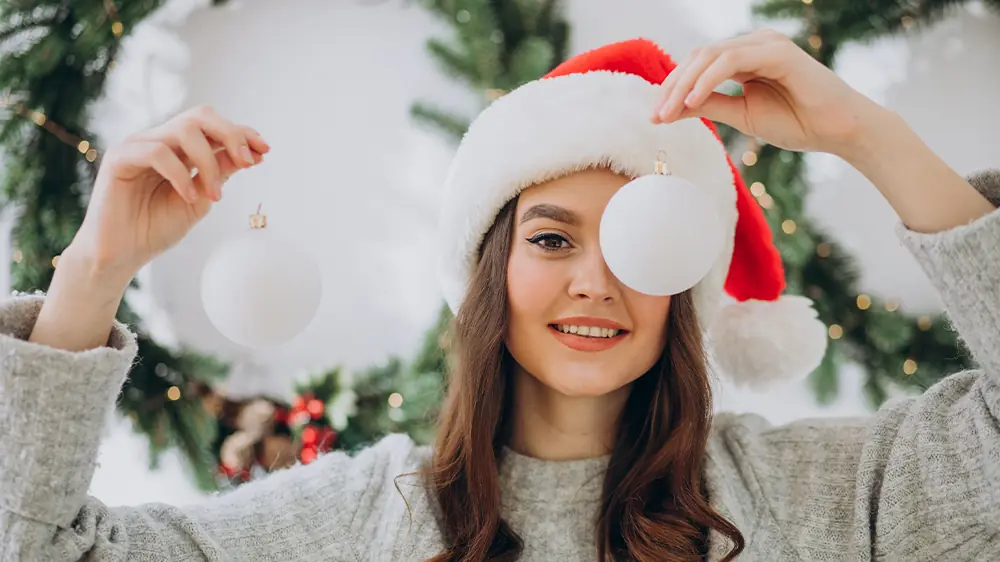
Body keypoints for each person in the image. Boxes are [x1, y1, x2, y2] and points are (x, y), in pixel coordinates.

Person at [0, 30, 997, 562]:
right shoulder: (364, 518)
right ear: (488, 271)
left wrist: (866, 134)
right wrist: (94, 267)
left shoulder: (820, 495)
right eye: (551, 238)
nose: (595, 278)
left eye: (634, 240)